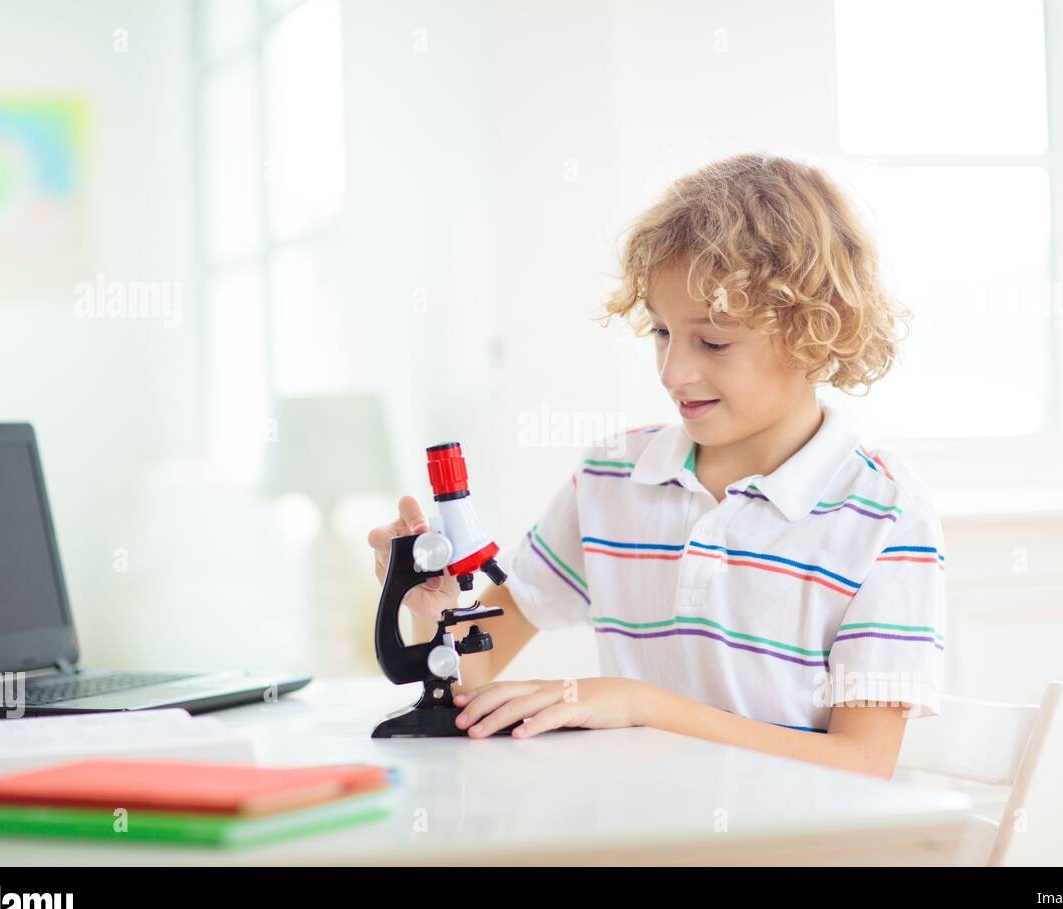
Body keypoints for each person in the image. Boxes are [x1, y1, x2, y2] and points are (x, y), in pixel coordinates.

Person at [367, 153, 943, 779]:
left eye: (714, 342)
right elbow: (473, 669)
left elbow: (862, 762)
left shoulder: (886, 514)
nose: (674, 375)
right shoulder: (611, 478)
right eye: (662, 333)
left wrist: (640, 705)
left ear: (814, 332)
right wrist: (426, 606)